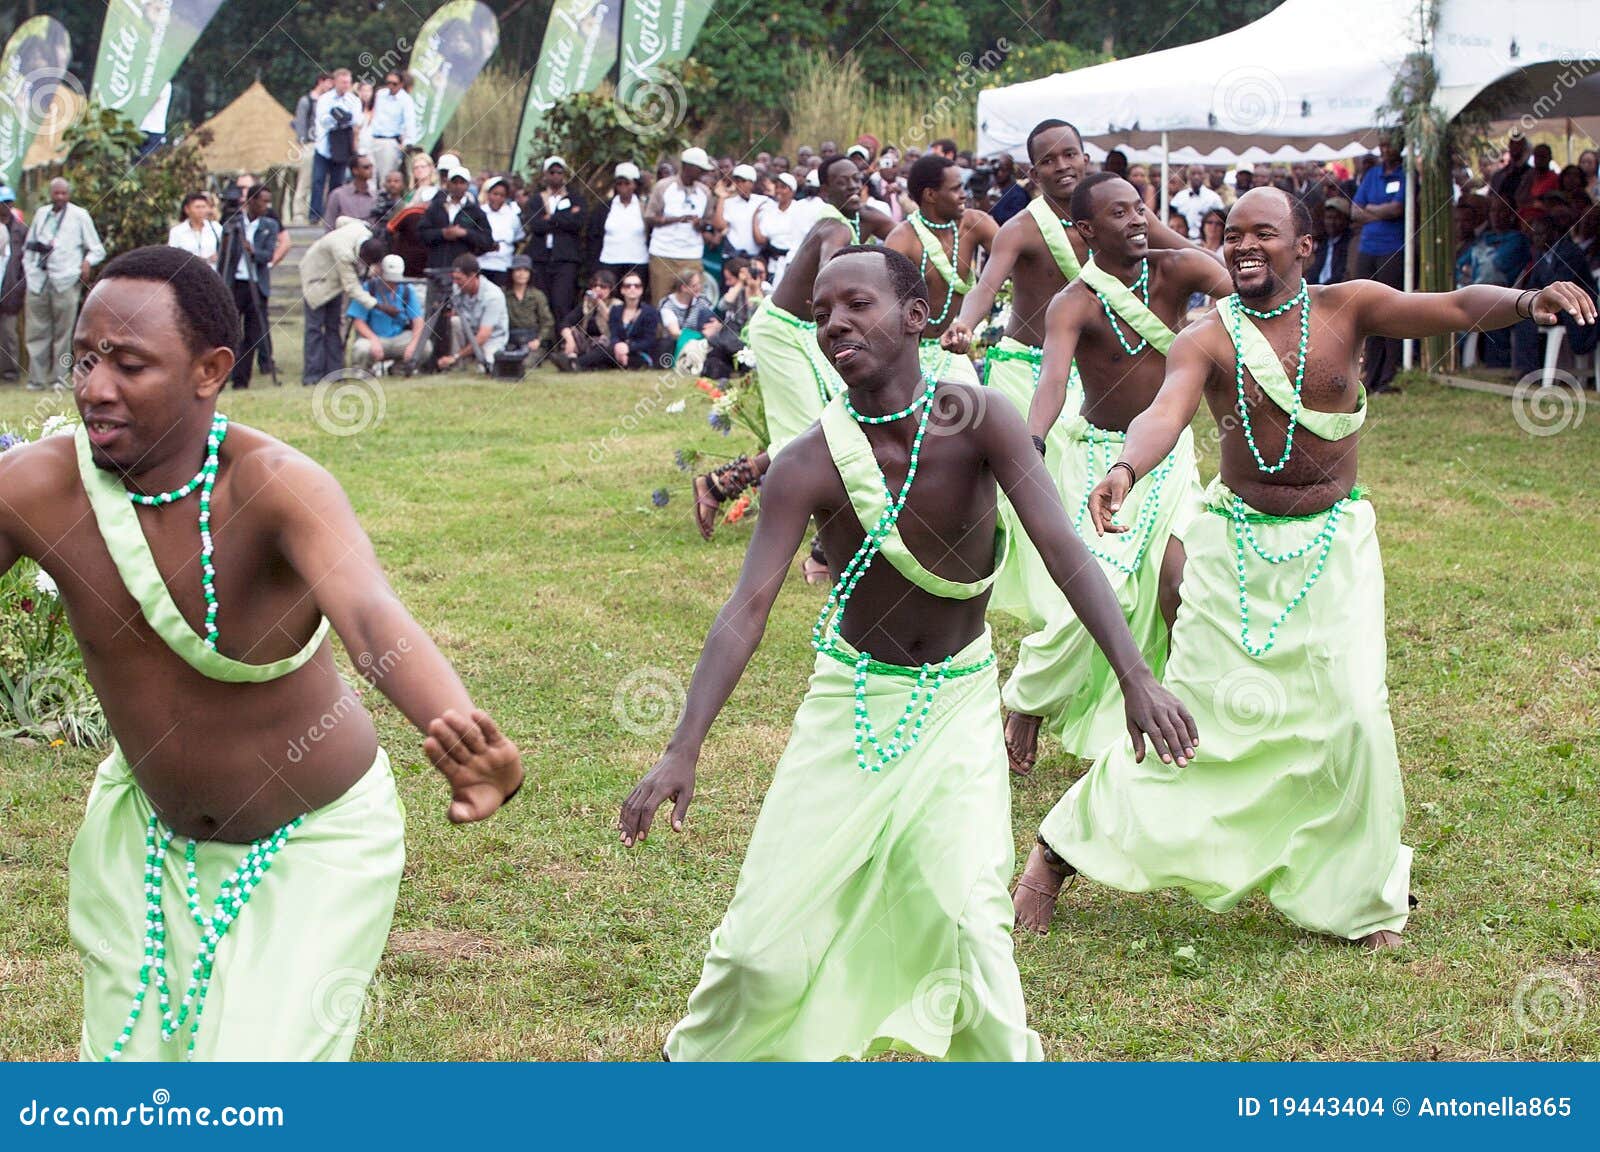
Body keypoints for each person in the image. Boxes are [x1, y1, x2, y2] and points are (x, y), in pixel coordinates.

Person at [620, 244, 1196, 1062]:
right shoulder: (808, 460)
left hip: (959, 699)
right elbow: (744, 612)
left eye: (857, 304)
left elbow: (1066, 551)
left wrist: (1137, 676)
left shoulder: (984, 419)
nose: (834, 324)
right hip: (850, 704)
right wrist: (682, 748)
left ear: (918, 318)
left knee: (970, 927)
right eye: (821, 313)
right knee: (759, 948)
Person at [1010, 186, 1594, 948]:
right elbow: (1165, 410)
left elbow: (1452, 308)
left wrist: (1525, 299)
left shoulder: (1350, 307)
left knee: (1352, 715)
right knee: (1193, 723)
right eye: (1233, 235)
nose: (1243, 245)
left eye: (1263, 234)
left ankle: (1358, 892)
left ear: (1304, 248)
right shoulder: (1205, 337)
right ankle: (1055, 855)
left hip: (1334, 547)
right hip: (1235, 554)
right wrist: (1126, 467)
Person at [0, 245, 523, 1060]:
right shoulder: (35, 489)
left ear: (210, 370)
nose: (95, 387)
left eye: (128, 364)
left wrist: (458, 728)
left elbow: (373, 616)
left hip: (310, 845)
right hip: (145, 848)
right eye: (85, 359)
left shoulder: (275, 485)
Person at [1004, 172, 1231, 774]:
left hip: (1169, 456)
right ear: (1086, 230)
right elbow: (1052, 380)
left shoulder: (1177, 270)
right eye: (1118, 214)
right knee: (1099, 589)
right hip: (1100, 460)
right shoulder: (1073, 302)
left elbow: (1239, 285)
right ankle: (1028, 700)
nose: (1135, 221)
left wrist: (1159, 233)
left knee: (1180, 585)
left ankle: (1185, 715)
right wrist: (1030, 441)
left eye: (1141, 210)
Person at [942, 119, 1198, 635]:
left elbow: (1187, 252)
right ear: (1033, 172)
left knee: (1088, 480)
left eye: (1071, 155)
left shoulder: (1117, 209)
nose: (1063, 166)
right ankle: (1063, 600)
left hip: (1092, 370)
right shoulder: (1020, 227)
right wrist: (966, 322)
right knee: (1049, 486)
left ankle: (1114, 582)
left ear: (1085, 157)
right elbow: (987, 283)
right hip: (1027, 369)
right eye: (1050, 160)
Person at [689, 155, 864, 558]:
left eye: (858, 180)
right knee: (809, 435)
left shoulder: (842, 220)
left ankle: (719, 484)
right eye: (844, 182)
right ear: (825, 189)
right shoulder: (834, 227)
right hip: (782, 330)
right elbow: (829, 284)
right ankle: (824, 547)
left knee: (837, 420)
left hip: (803, 329)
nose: (854, 187)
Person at [885, 153, 996, 386]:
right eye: (956, 189)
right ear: (931, 195)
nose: (964, 195)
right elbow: (885, 303)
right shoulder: (902, 240)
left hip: (952, 352)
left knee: (974, 409)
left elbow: (1015, 259)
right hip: (906, 354)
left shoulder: (975, 223)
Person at [24, 178, 105, 391]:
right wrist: (30, 270)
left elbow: (97, 249)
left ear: (69, 195)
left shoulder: (80, 216)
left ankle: (59, 379)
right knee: (36, 331)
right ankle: (37, 379)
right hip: (38, 280)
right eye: (56, 193)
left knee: (64, 332)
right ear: (50, 194)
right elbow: (28, 246)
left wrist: (86, 263)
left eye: (63, 194)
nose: (59, 197)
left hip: (66, 280)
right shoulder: (42, 214)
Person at [1350, 133, 1407, 394]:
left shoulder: (1406, 174)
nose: (1384, 150)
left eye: (1389, 145)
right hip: (1368, 249)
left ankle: (1387, 376)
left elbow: (1399, 209)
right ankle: (1369, 375)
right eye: (1381, 145)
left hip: (1393, 249)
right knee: (1365, 311)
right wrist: (1382, 210)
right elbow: (1354, 211)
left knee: (1389, 311)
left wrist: (1371, 210)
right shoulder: (1372, 174)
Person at [1510, 211, 1598, 375]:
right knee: (1524, 316)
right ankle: (1526, 371)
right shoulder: (1539, 254)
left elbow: (1561, 284)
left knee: (1530, 317)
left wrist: (1541, 296)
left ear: (1554, 233)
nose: (1536, 239)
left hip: (1576, 309)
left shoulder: (1570, 252)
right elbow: (1534, 285)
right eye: (1533, 234)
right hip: (1553, 306)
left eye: (1540, 234)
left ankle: (1531, 373)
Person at [301, 222, 385, 387]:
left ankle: (334, 372)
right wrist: (377, 305)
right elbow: (351, 287)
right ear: (362, 254)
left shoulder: (363, 230)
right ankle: (312, 375)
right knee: (315, 329)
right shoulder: (344, 252)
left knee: (334, 327)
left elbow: (340, 219)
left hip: (335, 281)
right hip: (315, 276)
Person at [216, 186, 281, 391]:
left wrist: (253, 251)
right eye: (263, 201)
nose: (266, 206)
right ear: (251, 201)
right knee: (230, 330)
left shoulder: (270, 225)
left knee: (253, 333)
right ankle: (223, 374)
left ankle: (241, 379)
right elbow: (224, 254)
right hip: (235, 283)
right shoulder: (233, 222)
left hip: (256, 283)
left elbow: (268, 255)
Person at [646, 147, 714, 305]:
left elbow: (708, 222)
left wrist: (700, 224)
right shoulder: (663, 187)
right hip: (663, 254)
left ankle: (687, 331)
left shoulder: (705, 192)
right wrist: (676, 219)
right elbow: (649, 218)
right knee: (661, 303)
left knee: (693, 303)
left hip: (691, 255)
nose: (703, 173)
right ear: (688, 167)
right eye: (700, 169)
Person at [523, 157, 585, 321]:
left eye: (559, 172)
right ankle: (545, 341)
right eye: (552, 172)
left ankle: (562, 338)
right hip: (540, 258)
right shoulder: (537, 199)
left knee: (561, 301)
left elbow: (577, 223)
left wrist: (550, 218)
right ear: (545, 175)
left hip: (565, 258)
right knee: (542, 301)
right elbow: (534, 225)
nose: (556, 175)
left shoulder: (575, 199)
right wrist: (563, 220)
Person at [347, 253, 429, 373]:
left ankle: (399, 369)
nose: (393, 283)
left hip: (399, 337)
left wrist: (413, 344)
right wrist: (373, 339)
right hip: (376, 337)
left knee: (425, 346)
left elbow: (418, 320)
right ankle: (364, 372)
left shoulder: (407, 290)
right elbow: (358, 321)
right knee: (361, 348)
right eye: (389, 280)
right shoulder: (368, 288)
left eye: (395, 280)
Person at [438, 253, 509, 371]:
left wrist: (456, 356)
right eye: (454, 278)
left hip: (491, 339)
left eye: (459, 279)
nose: (455, 283)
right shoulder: (457, 288)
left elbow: (484, 335)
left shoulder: (493, 296)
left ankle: (458, 358)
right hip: (469, 333)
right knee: (455, 321)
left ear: (472, 276)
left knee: (487, 368)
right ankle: (457, 365)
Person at [573, 271, 657, 370]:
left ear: (641, 290)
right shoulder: (616, 310)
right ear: (622, 290)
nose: (632, 288)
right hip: (616, 351)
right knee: (604, 350)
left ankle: (574, 364)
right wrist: (618, 346)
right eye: (628, 286)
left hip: (639, 353)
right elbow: (614, 335)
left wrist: (627, 348)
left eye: (637, 286)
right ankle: (582, 365)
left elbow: (649, 341)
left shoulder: (650, 312)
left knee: (605, 353)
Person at [312, 69, 363, 225]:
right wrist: (336, 118)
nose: (345, 85)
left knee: (337, 182)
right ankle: (314, 213)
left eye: (348, 82)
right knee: (318, 180)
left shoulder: (354, 100)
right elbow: (322, 121)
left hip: (342, 144)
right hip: (324, 145)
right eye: (342, 82)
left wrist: (344, 118)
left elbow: (356, 120)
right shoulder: (325, 99)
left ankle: (332, 214)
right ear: (335, 82)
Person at [420, 166, 492, 270]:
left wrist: (465, 233)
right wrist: (442, 234)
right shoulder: (436, 207)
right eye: (455, 182)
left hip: (463, 272)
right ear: (448, 184)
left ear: (467, 185)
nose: (458, 186)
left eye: (462, 183)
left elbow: (487, 241)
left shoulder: (475, 211)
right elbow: (421, 233)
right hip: (435, 268)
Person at [594, 162, 648, 288]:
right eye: (619, 183)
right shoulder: (604, 208)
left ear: (635, 185)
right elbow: (595, 236)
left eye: (627, 183)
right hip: (609, 261)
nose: (623, 187)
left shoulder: (644, 207)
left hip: (637, 262)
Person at [550, 269, 616, 371]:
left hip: (605, 342)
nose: (598, 289)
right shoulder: (586, 305)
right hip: (587, 343)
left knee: (602, 345)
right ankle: (571, 359)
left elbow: (615, 324)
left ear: (610, 289)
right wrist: (570, 339)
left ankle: (574, 363)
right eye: (595, 286)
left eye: (603, 287)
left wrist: (601, 306)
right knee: (571, 332)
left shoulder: (617, 305)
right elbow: (566, 322)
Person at [292, 73, 332, 225]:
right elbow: (300, 123)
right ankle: (299, 213)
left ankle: (320, 213)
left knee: (322, 181)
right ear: (321, 82)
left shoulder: (328, 101)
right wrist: (302, 144)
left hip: (326, 145)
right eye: (328, 83)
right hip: (310, 144)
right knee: (305, 180)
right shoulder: (306, 101)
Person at [657, 268, 715, 366]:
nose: (699, 288)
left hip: (700, 341)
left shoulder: (703, 301)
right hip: (678, 343)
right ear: (683, 288)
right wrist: (698, 338)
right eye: (694, 286)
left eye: (699, 284)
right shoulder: (667, 304)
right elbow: (675, 333)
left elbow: (712, 325)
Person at [713, 164, 772, 258]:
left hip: (756, 256)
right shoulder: (729, 202)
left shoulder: (764, 201)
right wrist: (722, 197)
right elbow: (719, 226)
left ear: (752, 183)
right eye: (737, 181)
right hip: (733, 255)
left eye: (743, 181)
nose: (739, 184)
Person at [368, 71, 417, 182]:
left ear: (400, 84)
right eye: (388, 83)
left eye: (394, 84)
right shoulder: (380, 94)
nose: (390, 86)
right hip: (373, 138)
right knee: (370, 176)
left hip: (389, 141)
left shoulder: (405, 100)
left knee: (386, 177)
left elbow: (410, 122)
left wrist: (408, 142)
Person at [504, 255, 554, 361]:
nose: (522, 274)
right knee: (505, 360)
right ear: (512, 272)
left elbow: (547, 322)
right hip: (509, 339)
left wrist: (538, 340)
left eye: (526, 270)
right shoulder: (503, 294)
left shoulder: (537, 295)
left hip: (532, 341)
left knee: (524, 362)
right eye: (518, 270)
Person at [477, 177, 523, 288]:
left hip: (502, 266)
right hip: (481, 264)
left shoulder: (512, 216)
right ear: (488, 194)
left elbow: (519, 238)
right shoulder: (479, 212)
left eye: (502, 195)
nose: (497, 198)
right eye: (495, 194)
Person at [0, 188, 24, 382]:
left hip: (10, 290)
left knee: (9, 334)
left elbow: (26, 263)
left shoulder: (21, 230)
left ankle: (10, 372)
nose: (6, 207)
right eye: (2, 203)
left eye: (9, 203)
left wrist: (19, 287)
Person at [322, 155, 378, 233]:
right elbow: (329, 223)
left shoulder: (376, 196)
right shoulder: (338, 194)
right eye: (366, 167)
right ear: (355, 170)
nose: (371, 170)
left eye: (371, 167)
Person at [167, 193, 222, 269]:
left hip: (213, 273)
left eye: (203, 207)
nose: (201, 210)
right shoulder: (177, 232)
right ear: (187, 209)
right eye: (197, 207)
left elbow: (224, 250)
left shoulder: (216, 228)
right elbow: (172, 256)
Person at [1170, 164, 1224, 239]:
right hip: (1182, 239)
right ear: (1187, 175)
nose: (1196, 177)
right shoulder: (1179, 197)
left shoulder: (1214, 198)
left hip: (1205, 240)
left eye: (1199, 173)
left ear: (1205, 175)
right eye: (1193, 173)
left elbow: (1220, 219)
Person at [1310, 199, 1354, 285]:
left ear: (1346, 220)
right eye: (1329, 218)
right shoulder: (1322, 241)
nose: (1332, 223)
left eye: (1337, 218)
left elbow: (1342, 274)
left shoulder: (1350, 244)